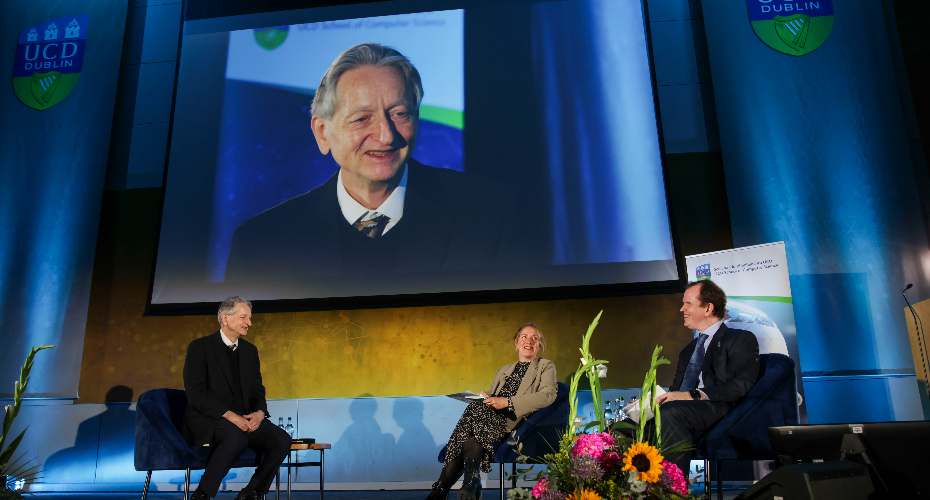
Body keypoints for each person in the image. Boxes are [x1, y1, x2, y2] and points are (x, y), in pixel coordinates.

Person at [225, 43, 528, 284]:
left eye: (400, 114)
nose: (386, 135)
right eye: (362, 118)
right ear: (322, 132)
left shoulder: (490, 212)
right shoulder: (260, 243)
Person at [622, 280, 760, 475]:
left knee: (671, 413)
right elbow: (676, 392)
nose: (681, 309)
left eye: (688, 304)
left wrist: (693, 395)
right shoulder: (688, 350)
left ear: (708, 308)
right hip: (682, 405)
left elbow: (740, 385)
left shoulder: (740, 339)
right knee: (625, 423)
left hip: (716, 405)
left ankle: (673, 489)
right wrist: (648, 404)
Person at [427, 323, 558, 500]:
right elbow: (494, 394)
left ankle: (441, 490)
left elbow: (548, 396)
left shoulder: (545, 366)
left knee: (473, 414)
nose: (529, 341)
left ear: (539, 345)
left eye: (535, 338)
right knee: (471, 434)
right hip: (488, 419)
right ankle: (469, 481)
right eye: (524, 337)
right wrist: (485, 395)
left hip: (514, 420)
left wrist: (508, 402)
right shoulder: (504, 370)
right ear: (516, 343)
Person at [183, 297, 291, 500]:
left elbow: (257, 389)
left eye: (249, 318)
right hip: (212, 419)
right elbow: (197, 393)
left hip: (245, 419)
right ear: (225, 318)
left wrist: (259, 413)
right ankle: (203, 494)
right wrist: (232, 417)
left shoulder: (250, 351)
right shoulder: (200, 348)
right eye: (244, 317)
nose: (249, 323)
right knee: (236, 437)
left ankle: (252, 492)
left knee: (282, 439)